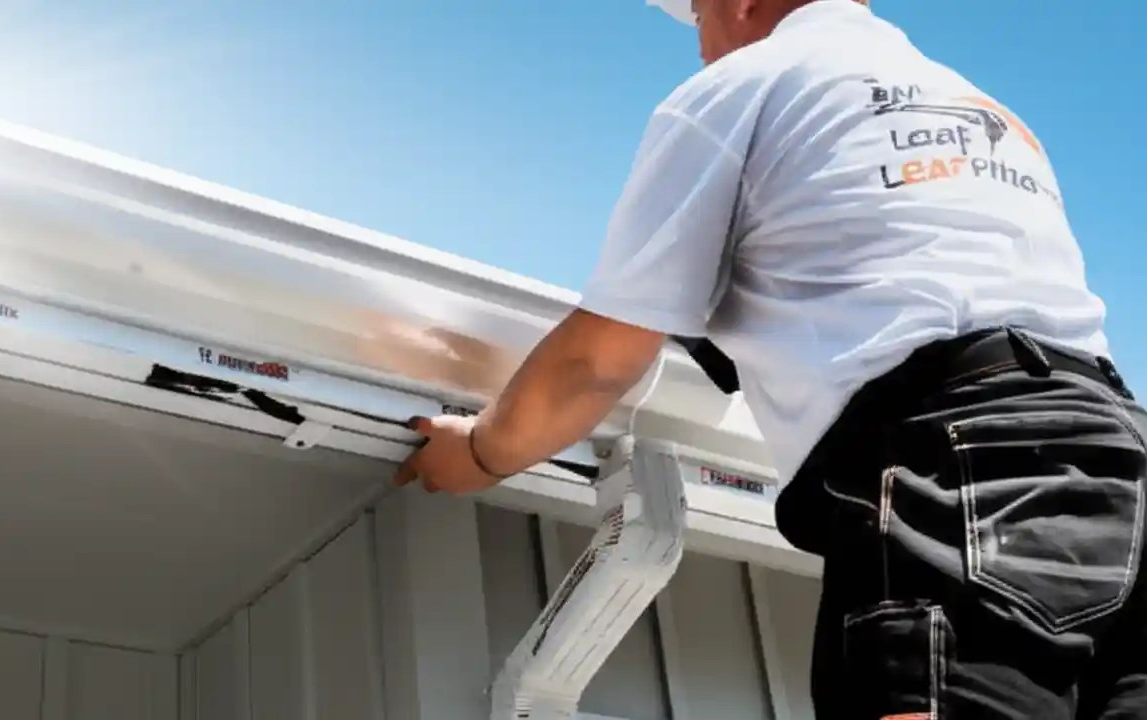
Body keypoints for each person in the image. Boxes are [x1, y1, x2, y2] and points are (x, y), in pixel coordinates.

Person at [393, 0, 1146, 717]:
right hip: (1122, 462)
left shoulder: (742, 86)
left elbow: (601, 358)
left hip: (956, 469)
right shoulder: (988, 114)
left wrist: (481, 453)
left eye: (698, 14)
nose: (700, 44)